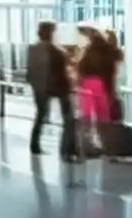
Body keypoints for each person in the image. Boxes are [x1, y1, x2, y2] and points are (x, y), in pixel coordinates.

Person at [27, 21, 75, 160]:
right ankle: (68, 147)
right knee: (67, 117)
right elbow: (62, 71)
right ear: (51, 33)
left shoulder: (32, 49)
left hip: (39, 87)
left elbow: (30, 71)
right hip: (57, 87)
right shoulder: (56, 51)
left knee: (41, 115)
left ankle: (34, 145)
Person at [76, 27, 116, 152]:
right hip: (102, 84)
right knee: (103, 115)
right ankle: (106, 142)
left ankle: (85, 143)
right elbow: (111, 71)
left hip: (87, 83)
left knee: (87, 115)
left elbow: (81, 67)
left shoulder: (87, 50)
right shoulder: (109, 50)